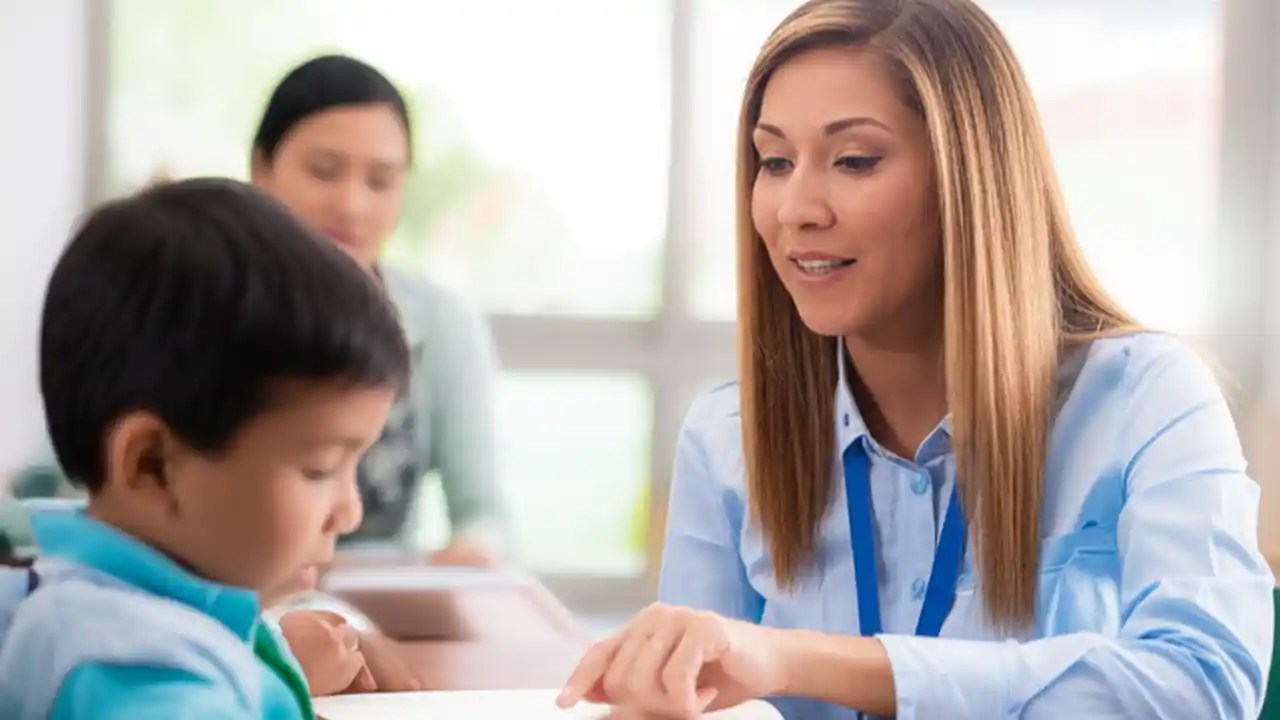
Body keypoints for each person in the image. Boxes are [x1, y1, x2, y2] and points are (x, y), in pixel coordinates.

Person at [557, 0, 1274, 718]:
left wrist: (795, 658)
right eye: (774, 161)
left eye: (854, 160)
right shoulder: (725, 435)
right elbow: (688, 698)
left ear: (970, 181)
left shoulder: (1146, 396)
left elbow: (1205, 685)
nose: (796, 208)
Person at [0, 179, 410, 717]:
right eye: (320, 468)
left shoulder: (101, 602)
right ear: (152, 467)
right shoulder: (142, 678)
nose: (350, 510)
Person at [250, 54, 505, 566]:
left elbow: (485, 512)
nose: (352, 205)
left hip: (376, 616)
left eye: (381, 180)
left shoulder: (442, 325)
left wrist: (474, 551)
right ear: (261, 168)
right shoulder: (195, 304)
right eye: (324, 172)